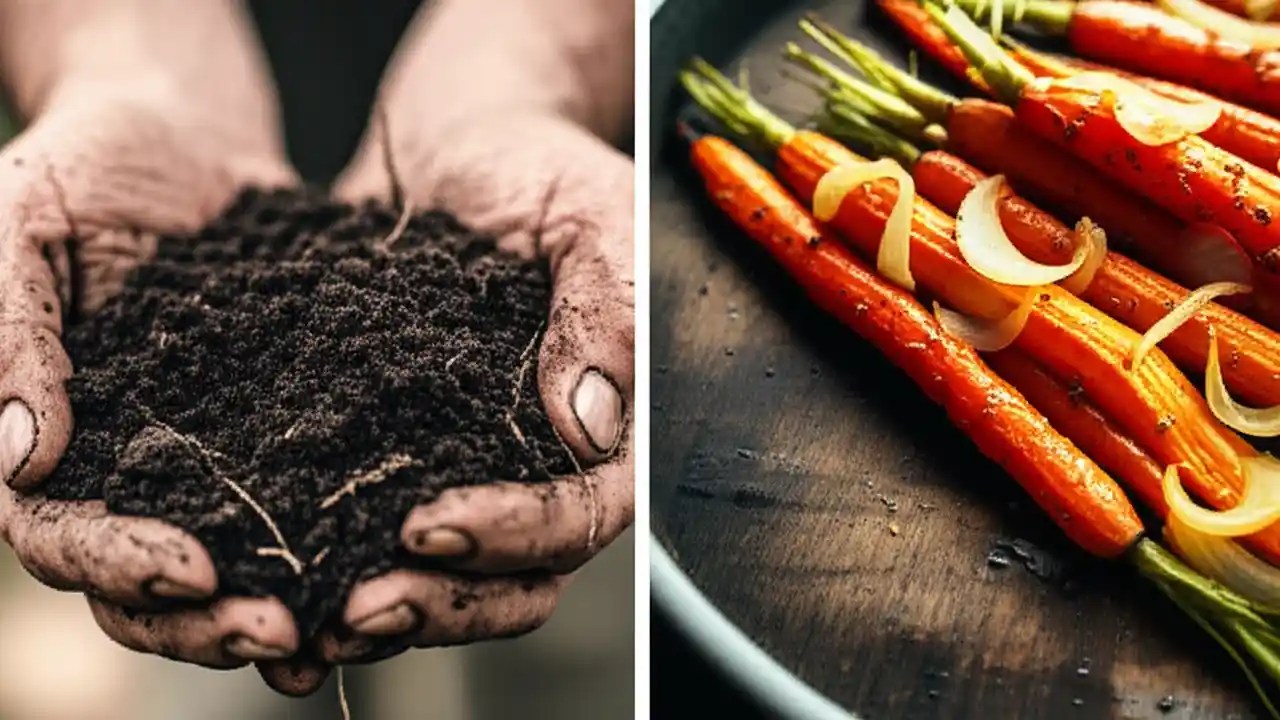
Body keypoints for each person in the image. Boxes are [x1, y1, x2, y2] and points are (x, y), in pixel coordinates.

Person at [0, 0, 634, 697]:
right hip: (188, 120)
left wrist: (543, 59)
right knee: (198, 637)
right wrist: (114, 61)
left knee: (545, 664)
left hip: (542, 111)